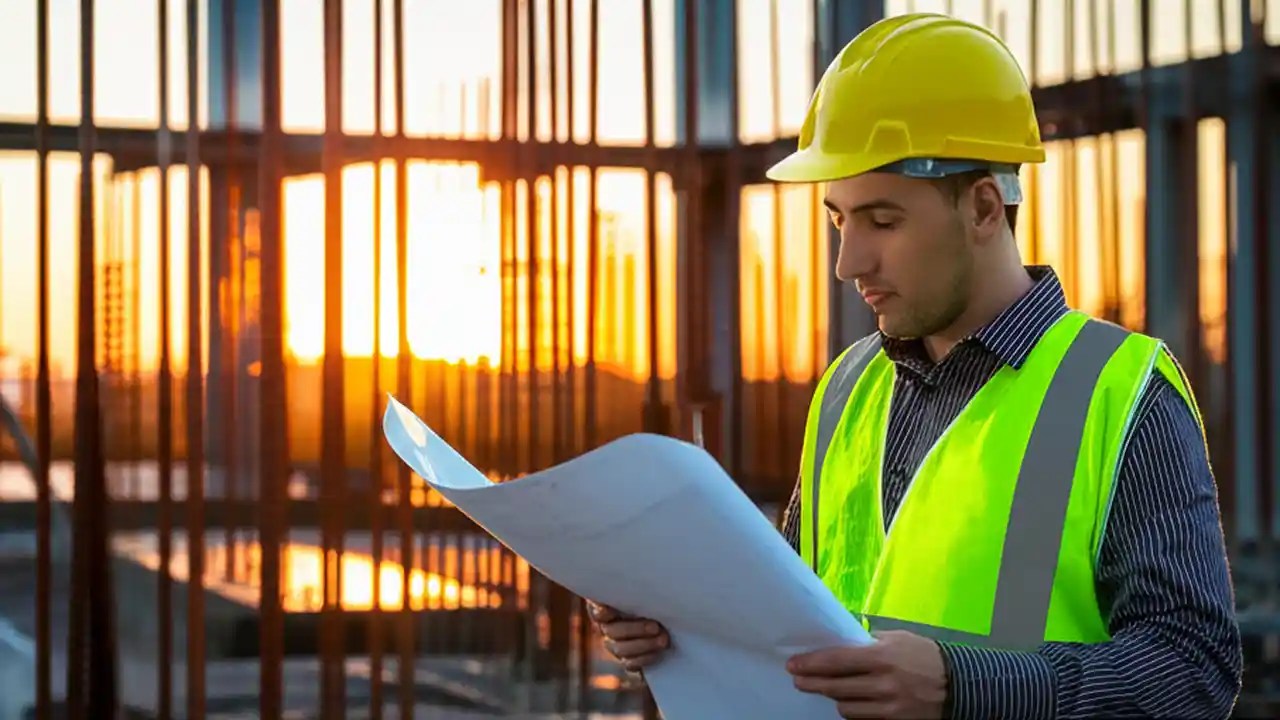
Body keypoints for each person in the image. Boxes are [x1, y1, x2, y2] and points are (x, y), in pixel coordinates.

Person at [587, 11, 1244, 720]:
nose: (848, 263)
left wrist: (962, 688)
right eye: (839, 220)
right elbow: (789, 620)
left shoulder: (1120, 393)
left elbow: (1193, 668)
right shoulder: (848, 389)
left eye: (882, 221)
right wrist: (674, 623)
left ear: (985, 208)